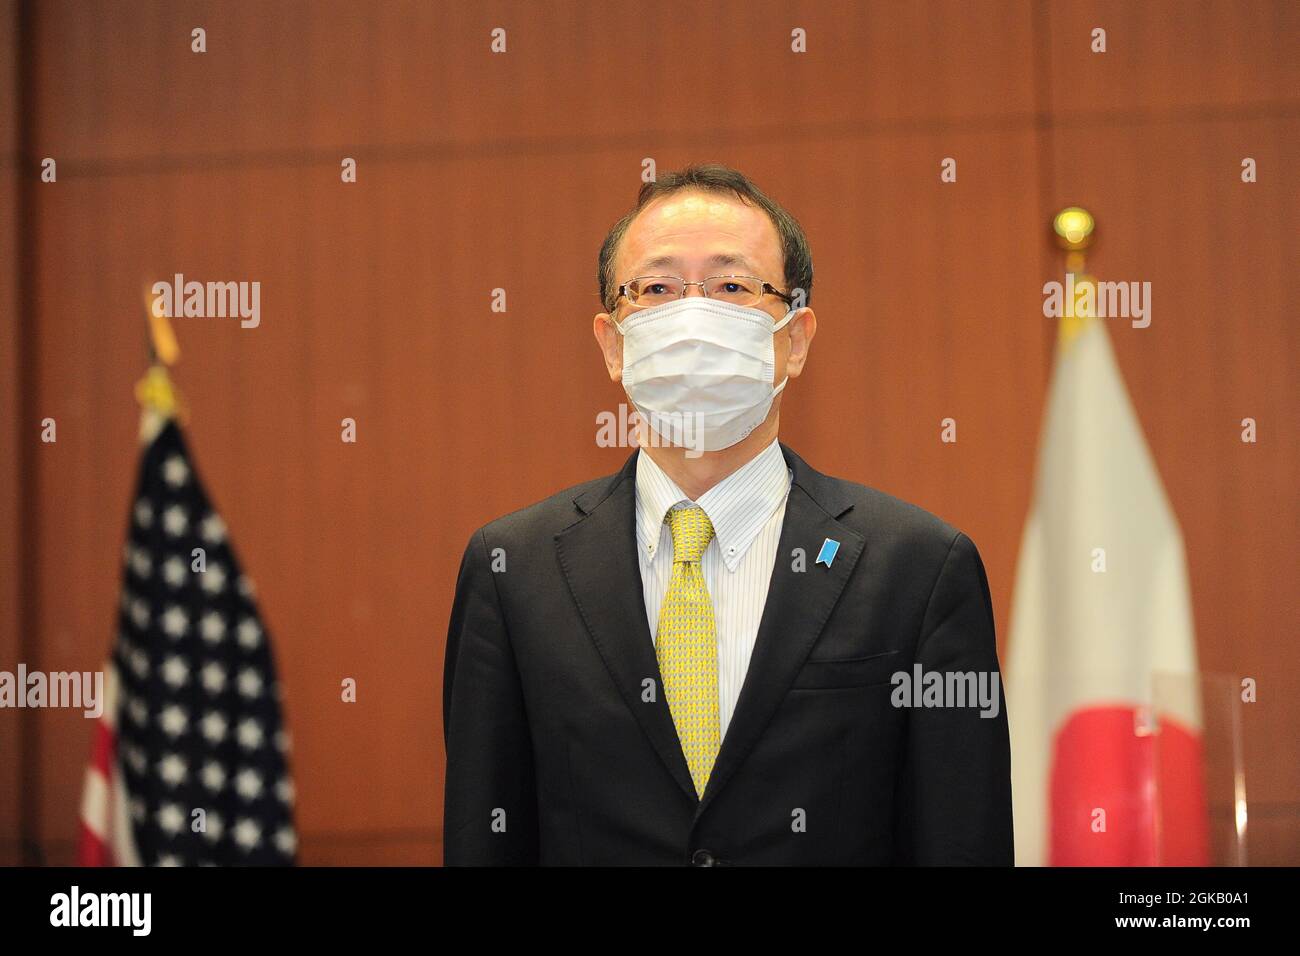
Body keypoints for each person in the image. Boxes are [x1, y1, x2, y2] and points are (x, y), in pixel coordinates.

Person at [442, 163, 1013, 865]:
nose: (692, 317)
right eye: (656, 289)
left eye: (732, 287)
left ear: (795, 339)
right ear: (612, 345)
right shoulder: (511, 570)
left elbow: (962, 836)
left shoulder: (920, 568)